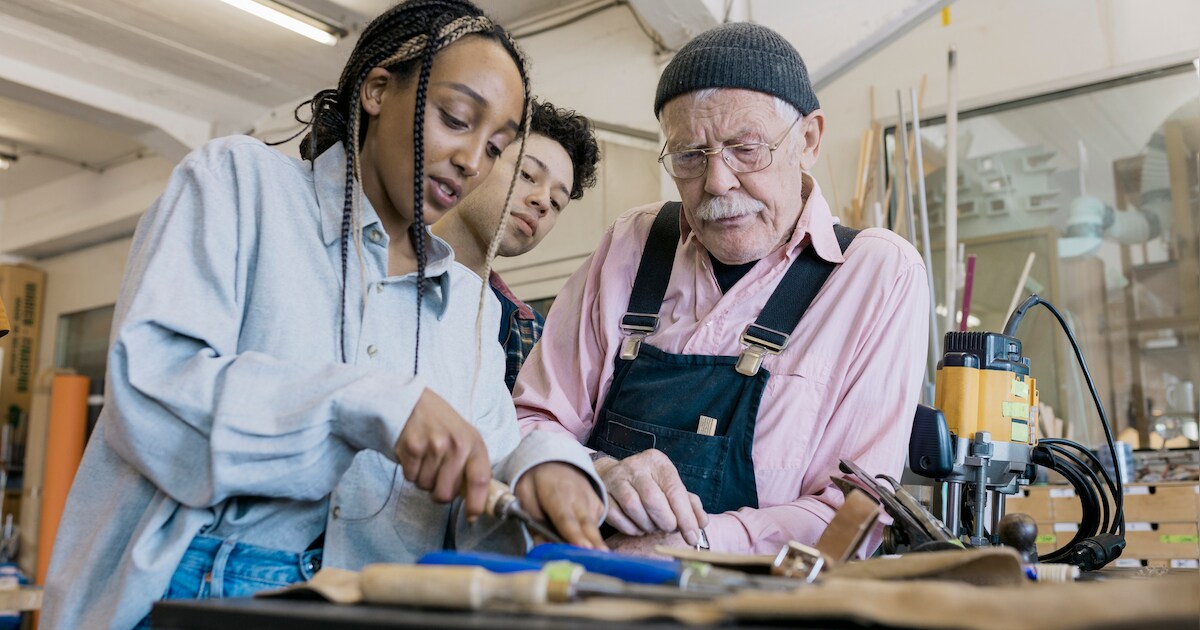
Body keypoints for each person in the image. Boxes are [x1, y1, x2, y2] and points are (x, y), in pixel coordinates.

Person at [42, 2, 605, 628]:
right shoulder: (237, 184)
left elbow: (487, 472)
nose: (473, 160)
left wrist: (540, 470)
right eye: (456, 118)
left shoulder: (471, 311)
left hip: (372, 604)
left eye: (496, 147)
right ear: (376, 88)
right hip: (191, 586)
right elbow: (151, 392)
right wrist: (359, 403)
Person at [515, 22, 929, 555]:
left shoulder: (877, 274)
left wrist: (694, 544)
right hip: (590, 582)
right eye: (689, 156)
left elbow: (854, 513)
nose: (717, 182)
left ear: (808, 141)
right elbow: (530, 420)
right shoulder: (631, 244)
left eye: (746, 149)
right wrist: (594, 471)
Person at [433, 99, 600, 390]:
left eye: (557, 202)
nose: (543, 201)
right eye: (526, 175)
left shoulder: (528, 334)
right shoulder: (373, 262)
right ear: (479, 157)